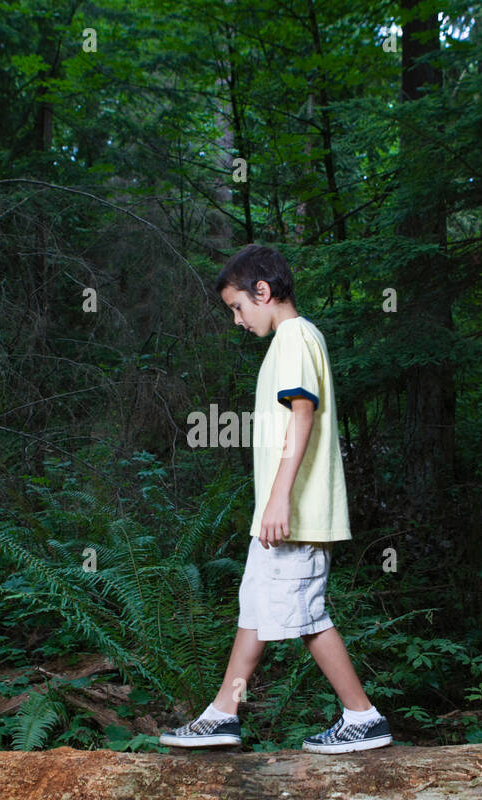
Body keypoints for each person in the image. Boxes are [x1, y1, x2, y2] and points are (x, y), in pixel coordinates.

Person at [160, 243, 392, 754]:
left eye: (238, 307)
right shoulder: (290, 342)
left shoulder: (293, 338)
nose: (238, 321)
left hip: (296, 514)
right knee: (257, 609)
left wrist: (280, 499)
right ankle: (223, 713)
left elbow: (302, 415)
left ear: (262, 292)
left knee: (305, 615)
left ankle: (363, 716)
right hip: (281, 515)